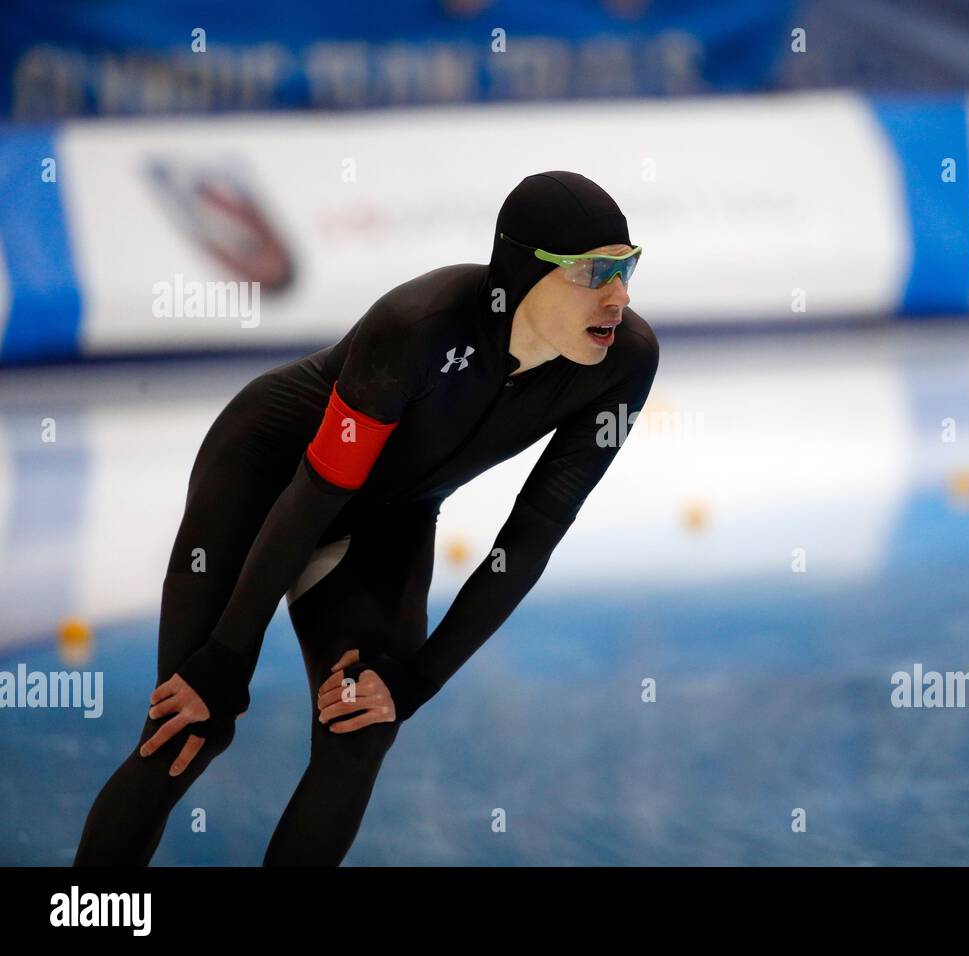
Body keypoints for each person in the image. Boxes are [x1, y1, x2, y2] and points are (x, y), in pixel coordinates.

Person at [74, 171, 658, 866]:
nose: (619, 295)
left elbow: (532, 537)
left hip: (390, 519)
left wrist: (415, 680)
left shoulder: (624, 364)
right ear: (527, 274)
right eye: (596, 271)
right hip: (268, 478)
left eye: (627, 266)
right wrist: (227, 657)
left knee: (360, 726)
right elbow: (315, 494)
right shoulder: (418, 326)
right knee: (190, 723)